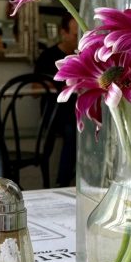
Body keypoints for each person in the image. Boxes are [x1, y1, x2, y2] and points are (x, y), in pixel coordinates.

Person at [35, 12, 79, 187]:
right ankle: (63, 181)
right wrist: (64, 89)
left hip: (76, 111)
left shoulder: (84, 56)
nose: (79, 40)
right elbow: (35, 89)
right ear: (64, 33)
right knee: (72, 131)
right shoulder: (48, 57)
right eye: (76, 35)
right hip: (55, 113)